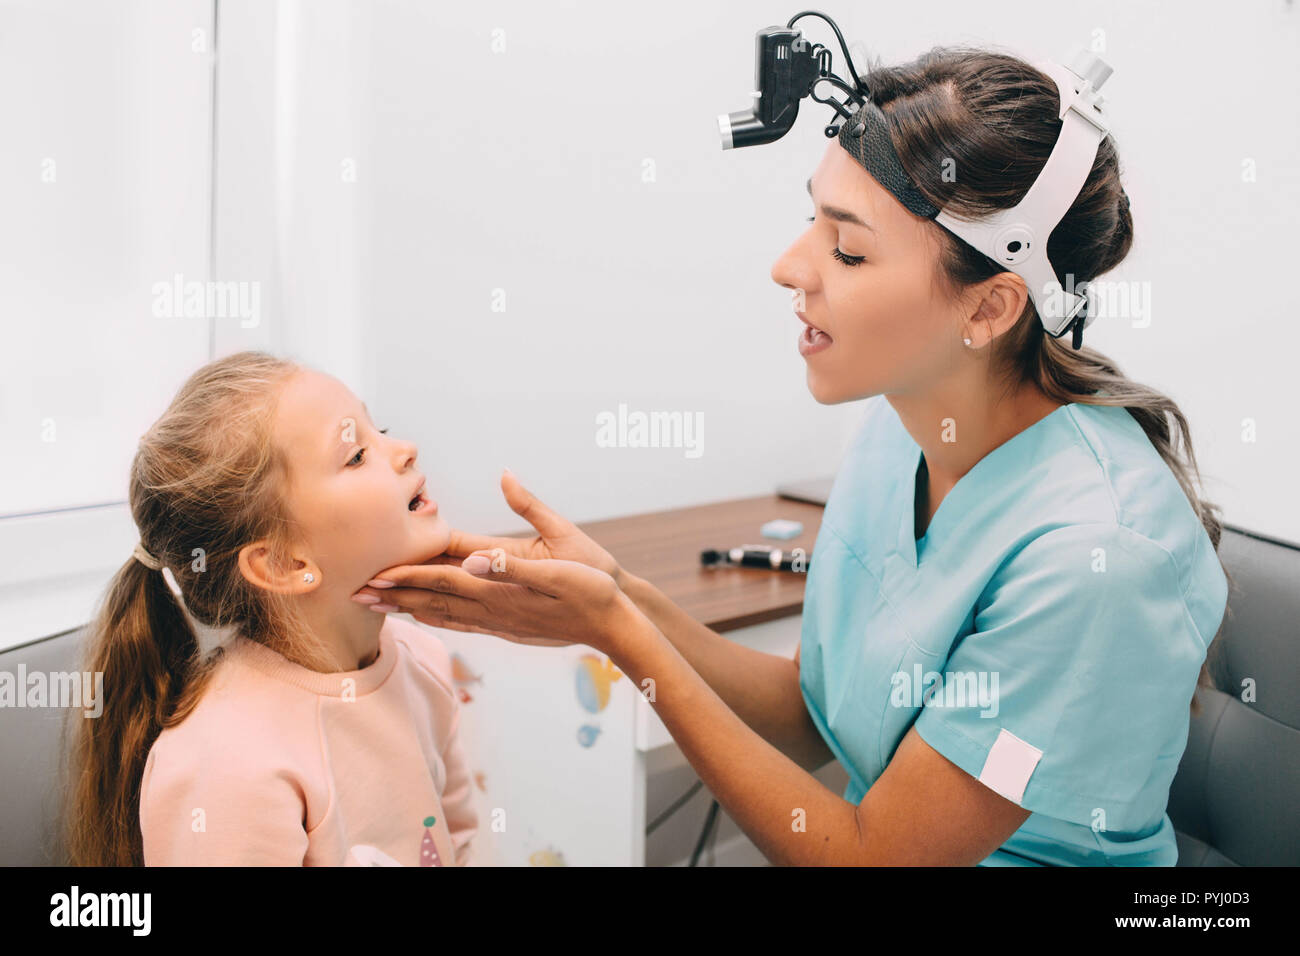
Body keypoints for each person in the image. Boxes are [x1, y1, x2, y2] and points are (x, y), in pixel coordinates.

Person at [351, 47, 1232, 865]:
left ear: (989, 309)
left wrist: (618, 635)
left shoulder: (1093, 561)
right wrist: (621, 597)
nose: (788, 266)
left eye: (848, 248)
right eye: (812, 222)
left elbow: (871, 855)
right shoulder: (902, 430)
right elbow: (819, 715)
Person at [63, 351, 477, 866]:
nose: (405, 449)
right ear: (281, 562)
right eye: (356, 455)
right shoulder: (227, 764)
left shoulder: (424, 662)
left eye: (381, 429)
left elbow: (459, 842)